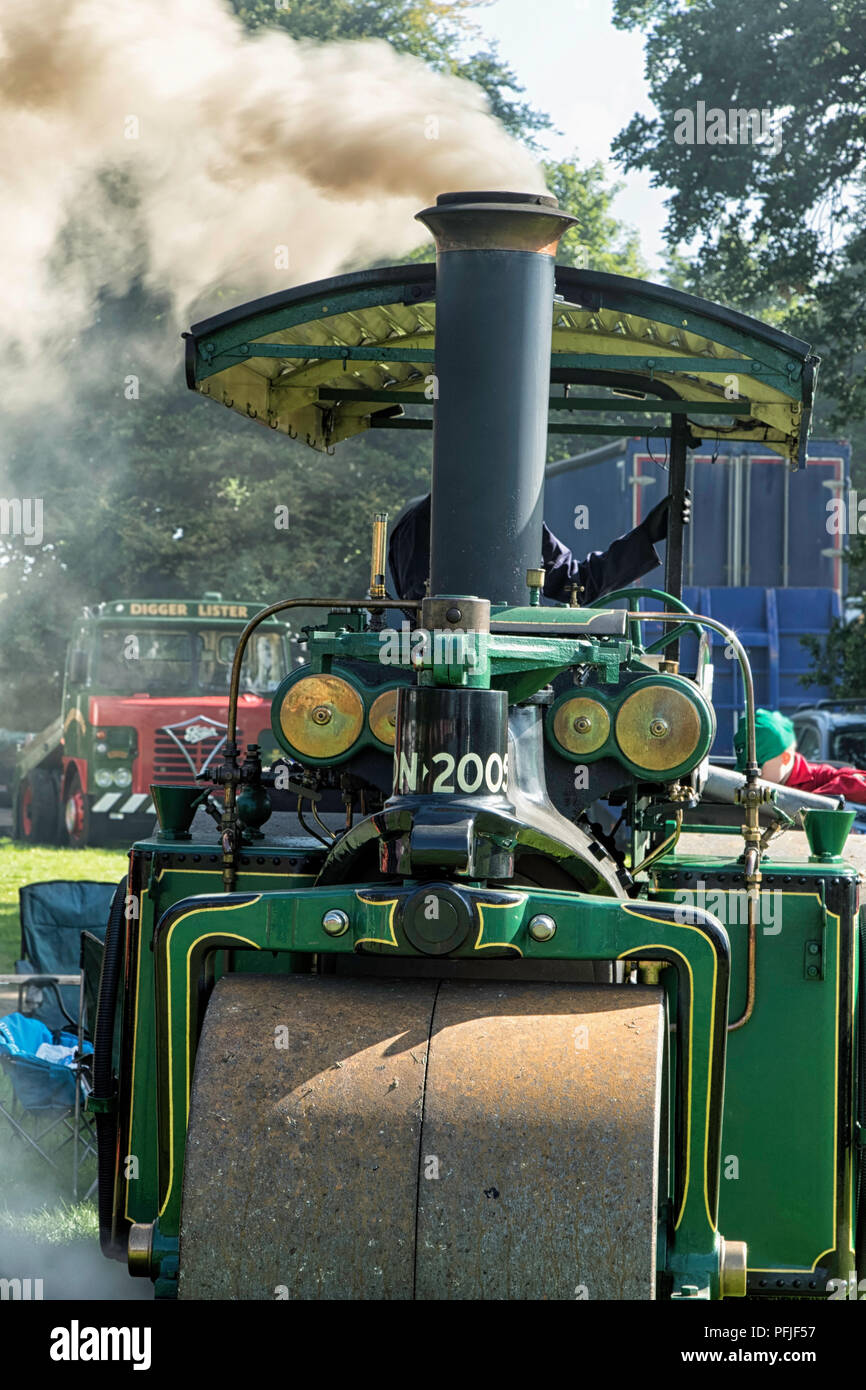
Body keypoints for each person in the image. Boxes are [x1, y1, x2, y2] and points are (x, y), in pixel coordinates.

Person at [387, 490, 691, 604]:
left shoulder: (516, 522)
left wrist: (646, 536)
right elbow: (422, 608)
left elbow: (577, 584)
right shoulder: (417, 526)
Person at [733, 707, 866, 804]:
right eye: (745, 769)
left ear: (785, 758)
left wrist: (812, 802)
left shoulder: (820, 778)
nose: (750, 777)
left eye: (758, 769)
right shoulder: (742, 787)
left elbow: (859, 781)